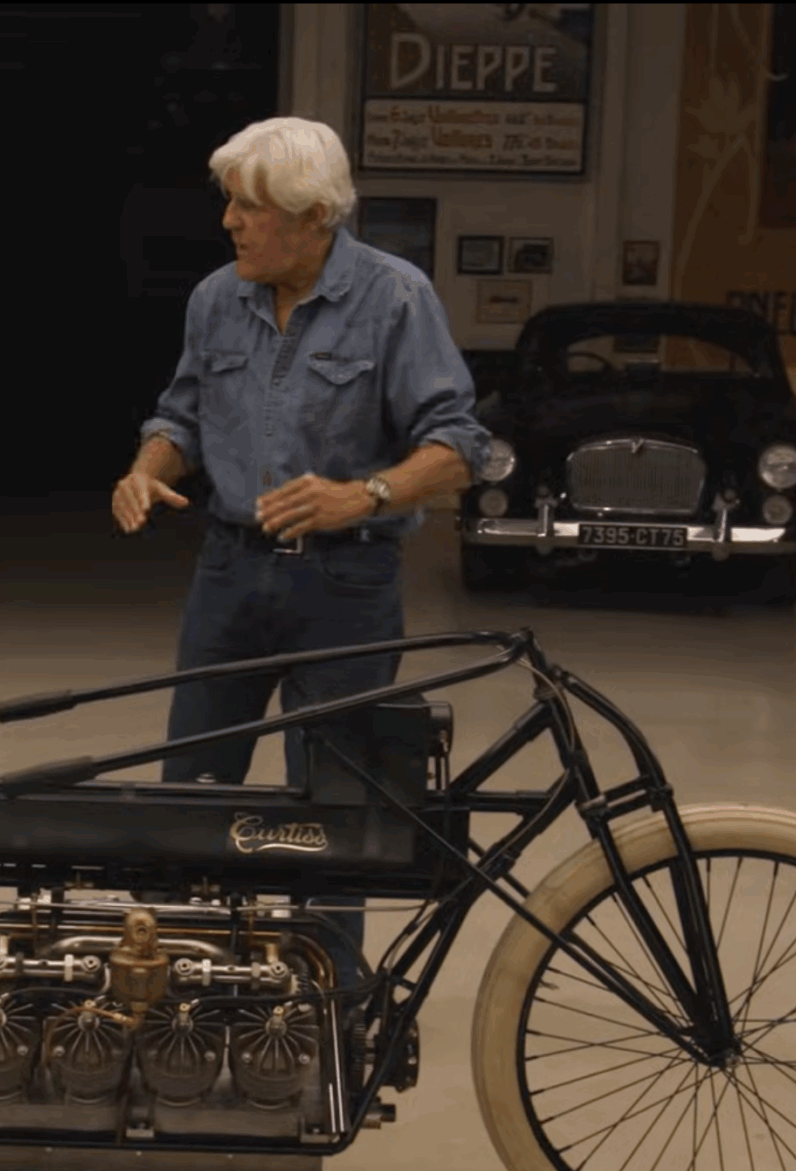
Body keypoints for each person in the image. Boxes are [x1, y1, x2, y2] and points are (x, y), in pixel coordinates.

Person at [111, 116, 490, 957]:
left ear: (314, 215)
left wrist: (365, 495)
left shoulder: (396, 299)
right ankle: (193, 992)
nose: (229, 222)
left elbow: (460, 447)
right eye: (230, 204)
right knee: (194, 800)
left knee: (333, 813)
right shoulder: (217, 298)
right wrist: (150, 468)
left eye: (249, 206)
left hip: (346, 590)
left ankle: (328, 1011)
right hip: (230, 576)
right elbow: (181, 416)